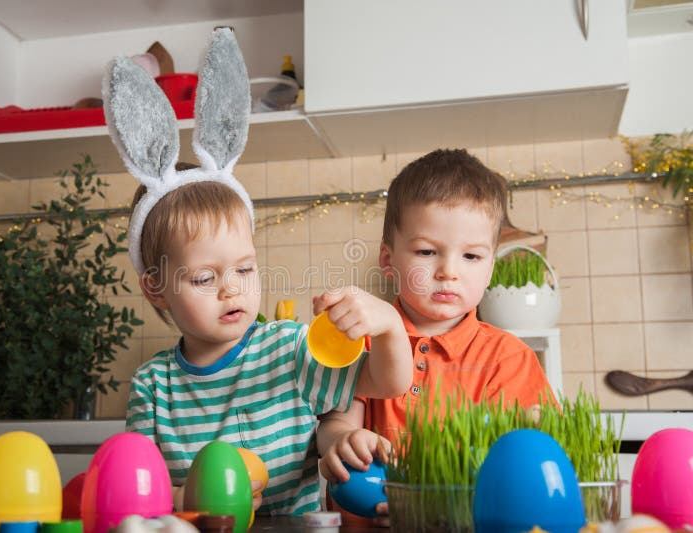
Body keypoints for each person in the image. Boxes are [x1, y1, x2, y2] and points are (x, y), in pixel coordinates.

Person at [103, 28, 412, 517]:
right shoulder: (153, 387)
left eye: (245, 269)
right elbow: (142, 494)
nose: (231, 289)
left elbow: (386, 382)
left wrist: (390, 325)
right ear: (156, 287)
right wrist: (193, 500)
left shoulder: (289, 349)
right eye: (204, 279)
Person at [316, 148, 556, 520]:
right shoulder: (362, 340)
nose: (448, 271)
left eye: (471, 257)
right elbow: (336, 423)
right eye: (427, 252)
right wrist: (343, 441)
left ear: (491, 267)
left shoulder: (508, 358)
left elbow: (527, 456)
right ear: (387, 259)